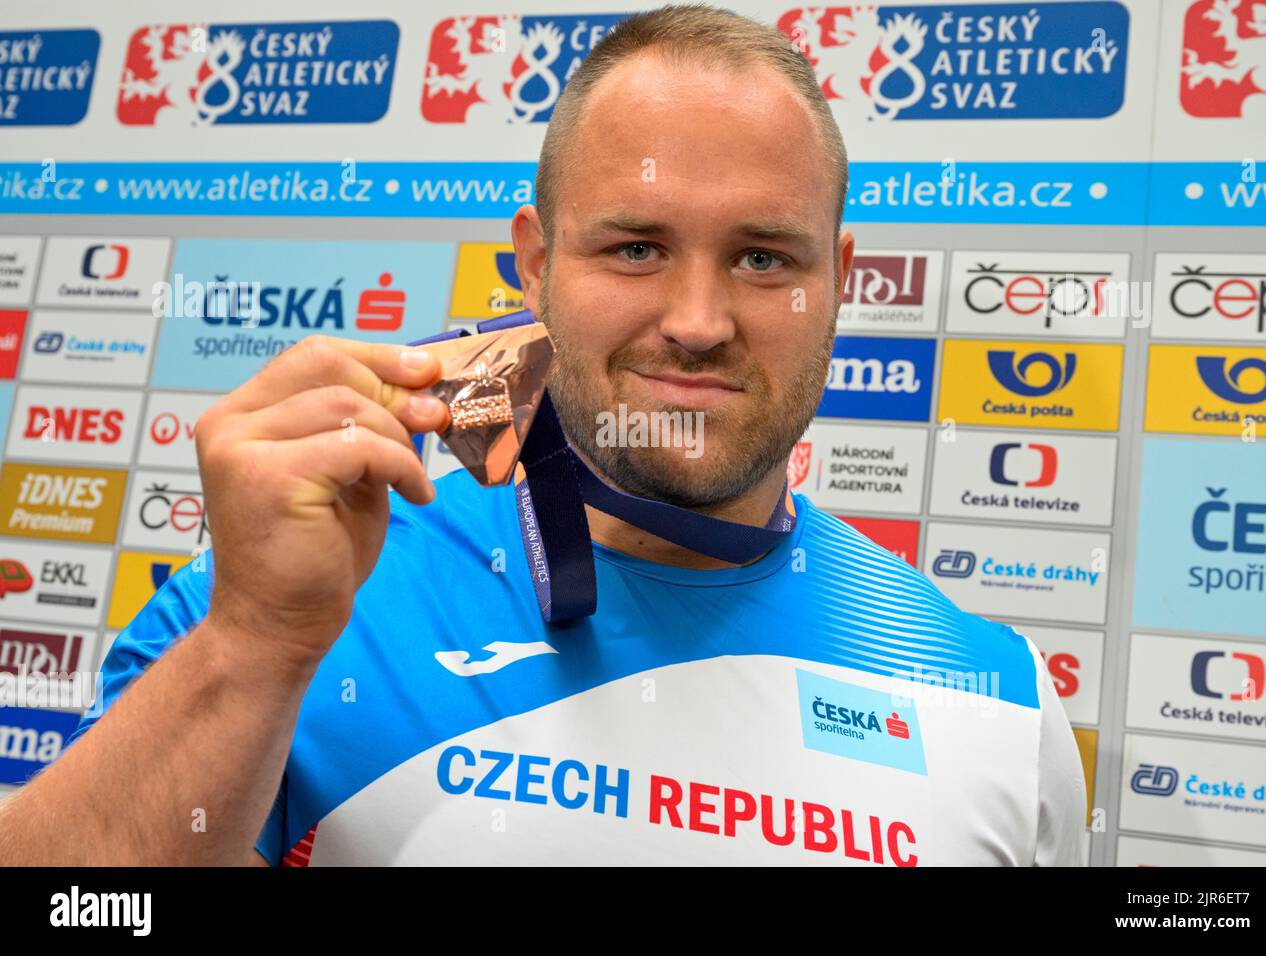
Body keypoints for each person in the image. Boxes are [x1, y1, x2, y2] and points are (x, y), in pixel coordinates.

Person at [0, 3, 1086, 866]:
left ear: (838, 282)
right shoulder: (276, 618)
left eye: (764, 257)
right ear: (533, 261)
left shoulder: (995, 696)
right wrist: (252, 646)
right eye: (634, 249)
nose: (698, 321)